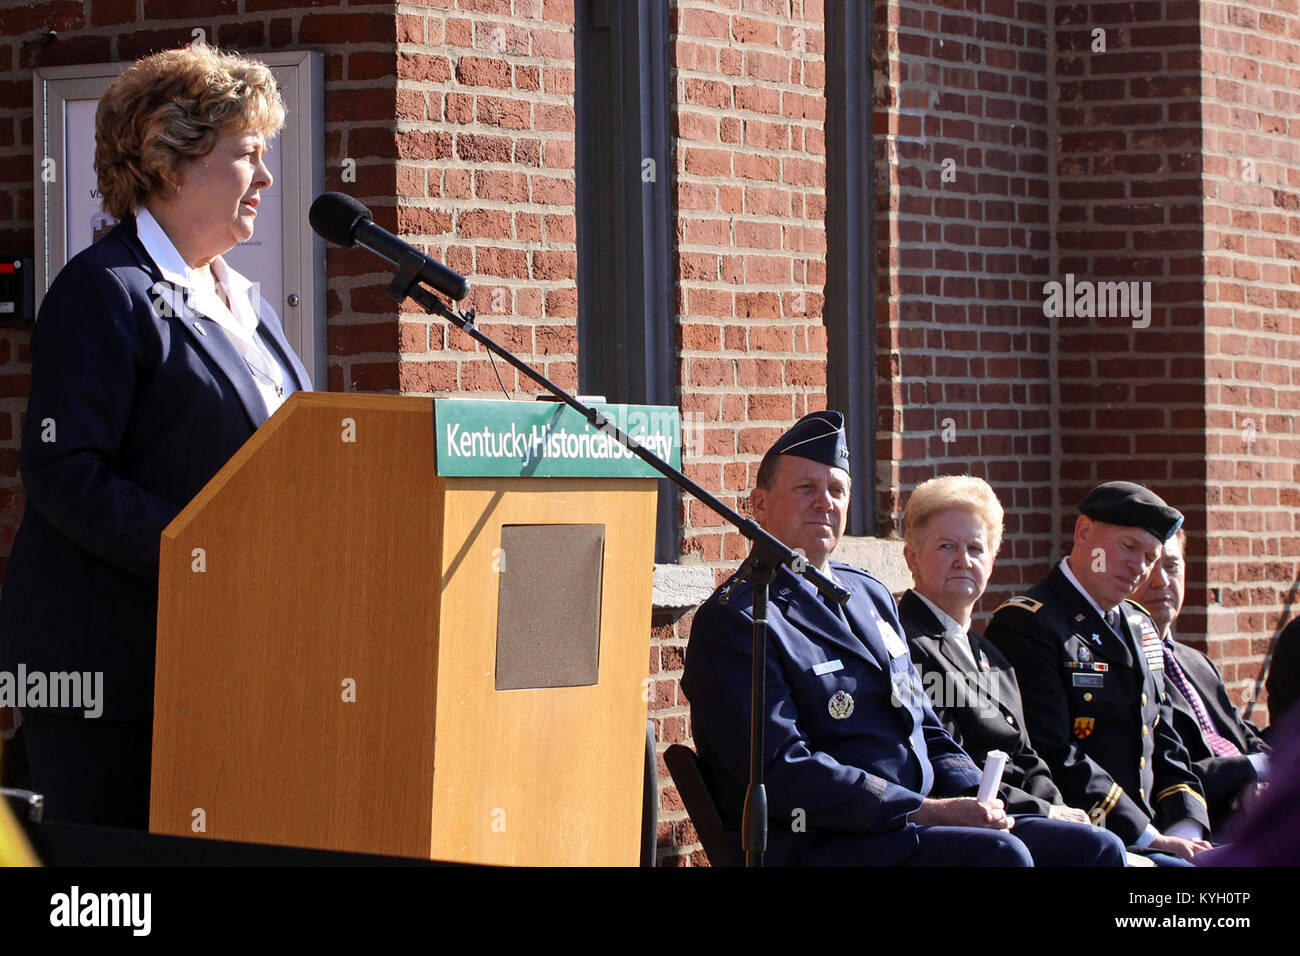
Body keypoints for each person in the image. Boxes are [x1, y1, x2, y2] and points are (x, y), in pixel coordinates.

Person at [0, 46, 311, 830]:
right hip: (113, 671)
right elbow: (64, 471)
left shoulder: (249, 309)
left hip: (224, 660)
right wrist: (210, 550)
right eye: (246, 155)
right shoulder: (104, 291)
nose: (266, 180)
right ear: (171, 164)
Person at [681, 412, 1125, 866]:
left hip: (914, 824)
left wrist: (974, 794)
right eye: (805, 489)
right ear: (759, 505)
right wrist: (926, 811)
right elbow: (783, 771)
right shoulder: (741, 619)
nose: (824, 503)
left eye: (837, 490)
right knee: (998, 856)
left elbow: (923, 722)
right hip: (826, 841)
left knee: (1094, 849)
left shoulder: (868, 594)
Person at [984, 482, 1212, 864]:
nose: (1139, 567)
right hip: (1093, 836)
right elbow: (1054, 752)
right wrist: (1150, 837)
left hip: (1157, 833)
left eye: (1150, 556)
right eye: (1129, 548)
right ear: (1084, 532)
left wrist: (1185, 827)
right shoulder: (1029, 623)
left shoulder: (1140, 623)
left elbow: (1164, 737)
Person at [899, 476, 1119, 841]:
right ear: (912, 557)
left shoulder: (990, 655)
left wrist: (1059, 809)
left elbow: (1026, 756)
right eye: (945, 547)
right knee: (1100, 848)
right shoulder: (907, 642)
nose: (962, 560)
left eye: (975, 547)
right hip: (969, 824)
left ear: (992, 560)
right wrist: (1047, 812)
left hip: (1021, 815)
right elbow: (951, 758)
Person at [1129, 529, 1270, 838]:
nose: (1161, 581)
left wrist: (1263, 776)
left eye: (1171, 566)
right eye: (1150, 566)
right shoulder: (1123, 670)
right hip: (1200, 828)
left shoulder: (1198, 662)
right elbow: (1163, 772)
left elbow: (1245, 736)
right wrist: (1248, 772)